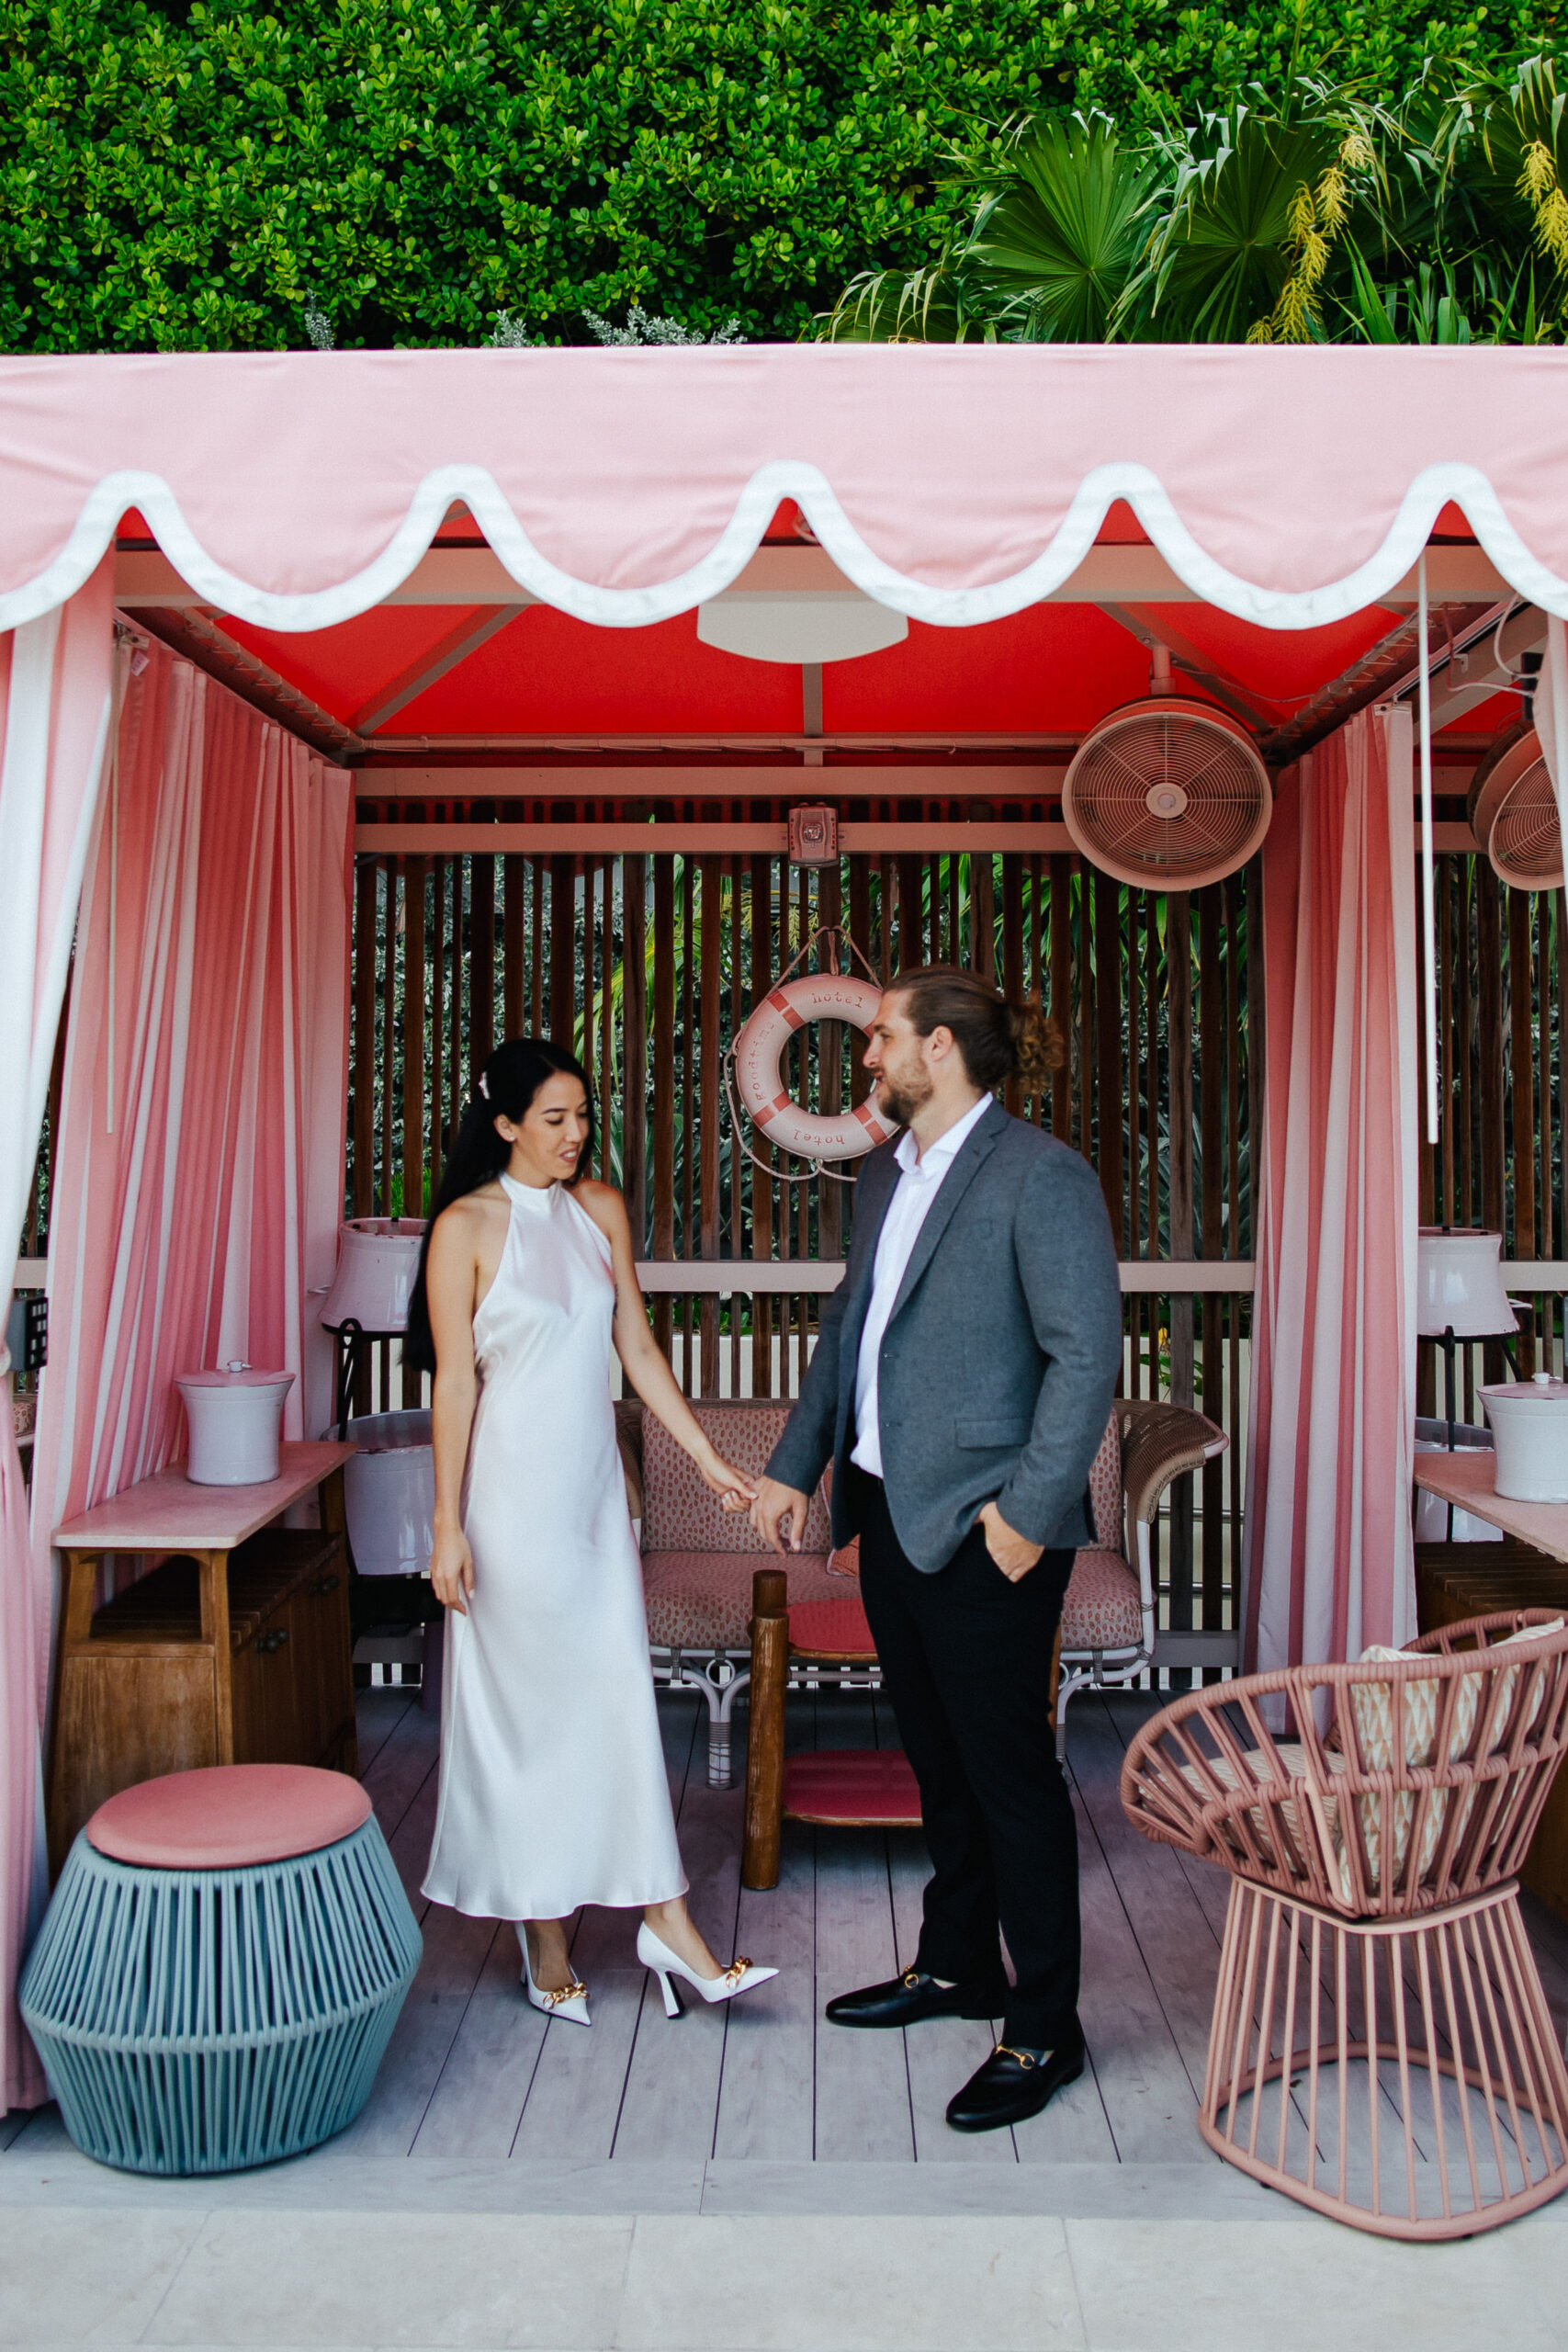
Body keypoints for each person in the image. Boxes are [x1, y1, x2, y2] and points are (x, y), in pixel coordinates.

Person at [750, 968, 1121, 2132]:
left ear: (945, 1049)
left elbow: (1086, 1359)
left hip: (987, 1529)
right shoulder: (883, 1176)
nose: (869, 1058)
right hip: (884, 1513)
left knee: (1010, 1779)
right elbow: (848, 1334)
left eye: (887, 1038)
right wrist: (793, 1468)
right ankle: (958, 1965)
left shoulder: (1044, 1177)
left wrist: (1021, 1518)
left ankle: (1045, 2026)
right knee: (940, 1768)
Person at [406, 1037, 776, 2027]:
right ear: (506, 1124)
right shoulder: (464, 1228)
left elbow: (638, 1348)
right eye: (555, 1118)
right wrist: (446, 1525)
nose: (576, 1135)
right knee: (528, 1726)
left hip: (591, 1510)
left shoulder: (600, 1211)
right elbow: (452, 1385)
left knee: (614, 1705)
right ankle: (545, 1936)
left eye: (582, 1115)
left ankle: (668, 1924)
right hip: (509, 1509)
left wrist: (705, 1459)